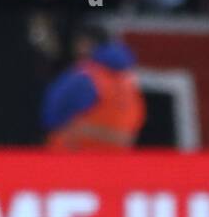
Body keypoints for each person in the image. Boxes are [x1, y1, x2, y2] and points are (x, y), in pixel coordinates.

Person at [41, 22, 146, 150]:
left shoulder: (83, 77)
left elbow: (51, 115)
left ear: (84, 43)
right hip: (116, 157)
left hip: (76, 155)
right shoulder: (127, 79)